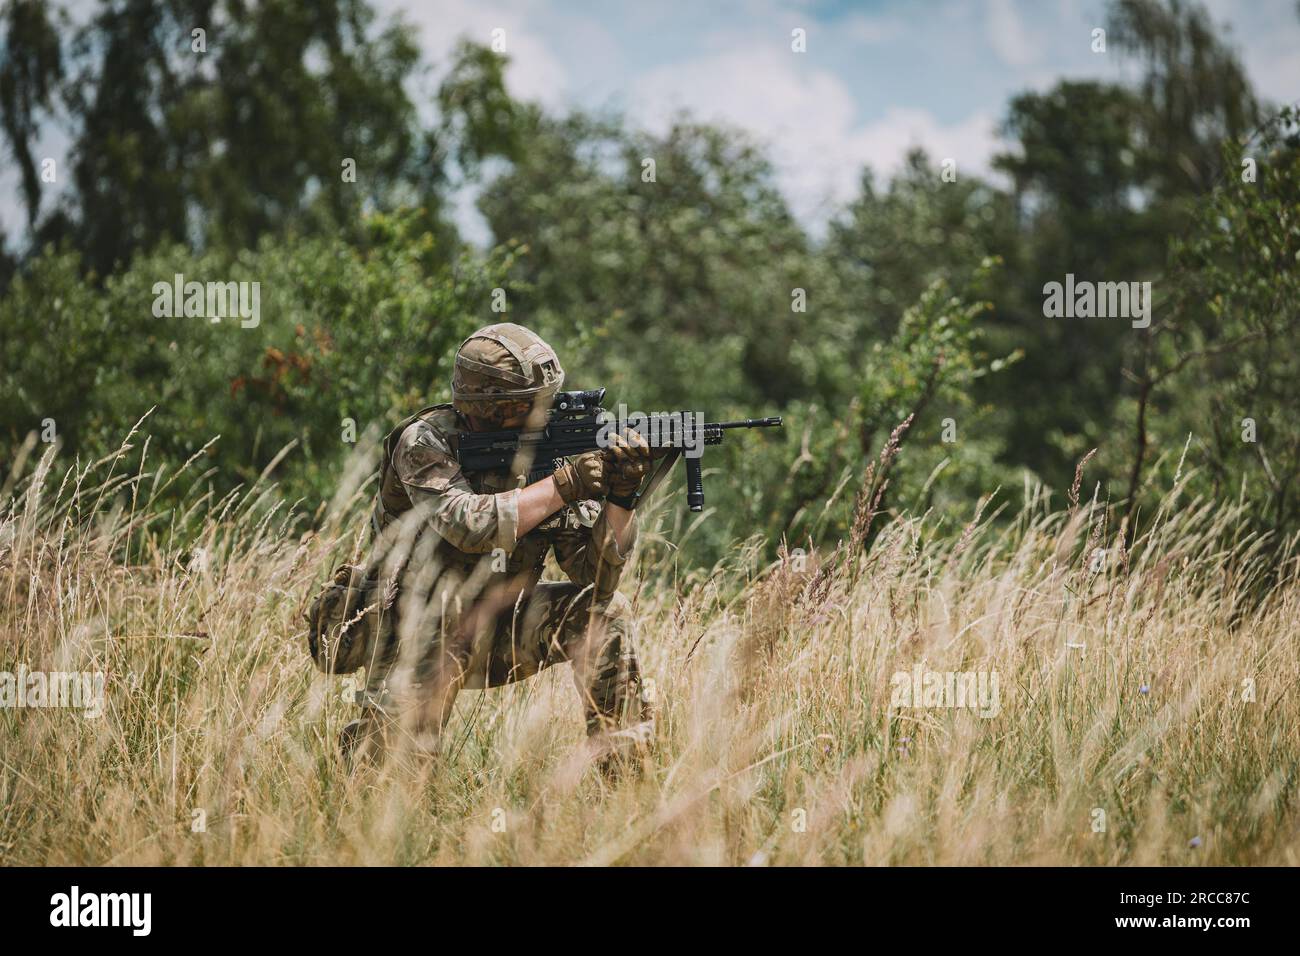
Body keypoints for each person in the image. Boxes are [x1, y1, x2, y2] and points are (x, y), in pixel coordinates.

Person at [338, 322, 653, 771]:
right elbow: (468, 524)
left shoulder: (548, 450)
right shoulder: (425, 442)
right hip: (413, 632)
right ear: (489, 408)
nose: (544, 414)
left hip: (498, 628)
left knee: (606, 613)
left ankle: (624, 780)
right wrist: (565, 485)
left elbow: (593, 577)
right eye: (530, 405)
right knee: (389, 784)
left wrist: (621, 500)